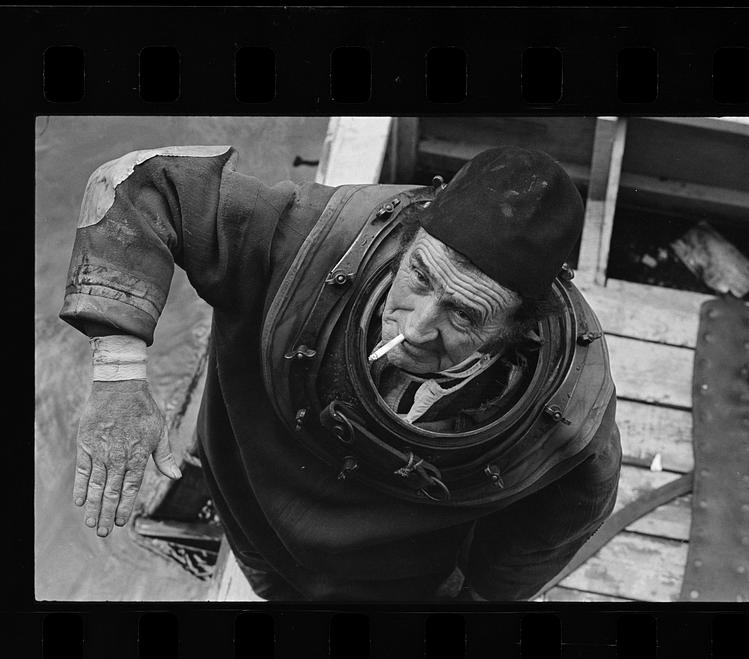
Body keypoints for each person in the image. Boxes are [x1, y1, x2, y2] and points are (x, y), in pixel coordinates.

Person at [61, 143, 622, 601]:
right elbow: (139, 184)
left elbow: (544, 538)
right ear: (407, 241)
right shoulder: (309, 237)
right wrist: (118, 373)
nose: (419, 326)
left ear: (517, 330)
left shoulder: (566, 418)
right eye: (420, 278)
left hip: (393, 586)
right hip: (254, 516)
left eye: (465, 313)